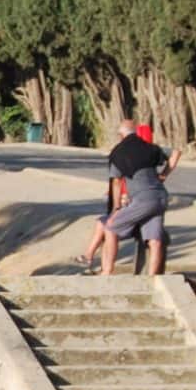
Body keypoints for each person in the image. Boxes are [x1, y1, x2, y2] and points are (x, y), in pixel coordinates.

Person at [79, 115, 181, 275]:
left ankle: (106, 272)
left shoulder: (119, 153)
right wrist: (164, 174)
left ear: (121, 135)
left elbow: (116, 182)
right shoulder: (149, 147)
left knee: (111, 227)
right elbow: (176, 152)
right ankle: (152, 279)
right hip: (161, 197)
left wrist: (116, 208)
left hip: (143, 199)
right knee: (155, 240)